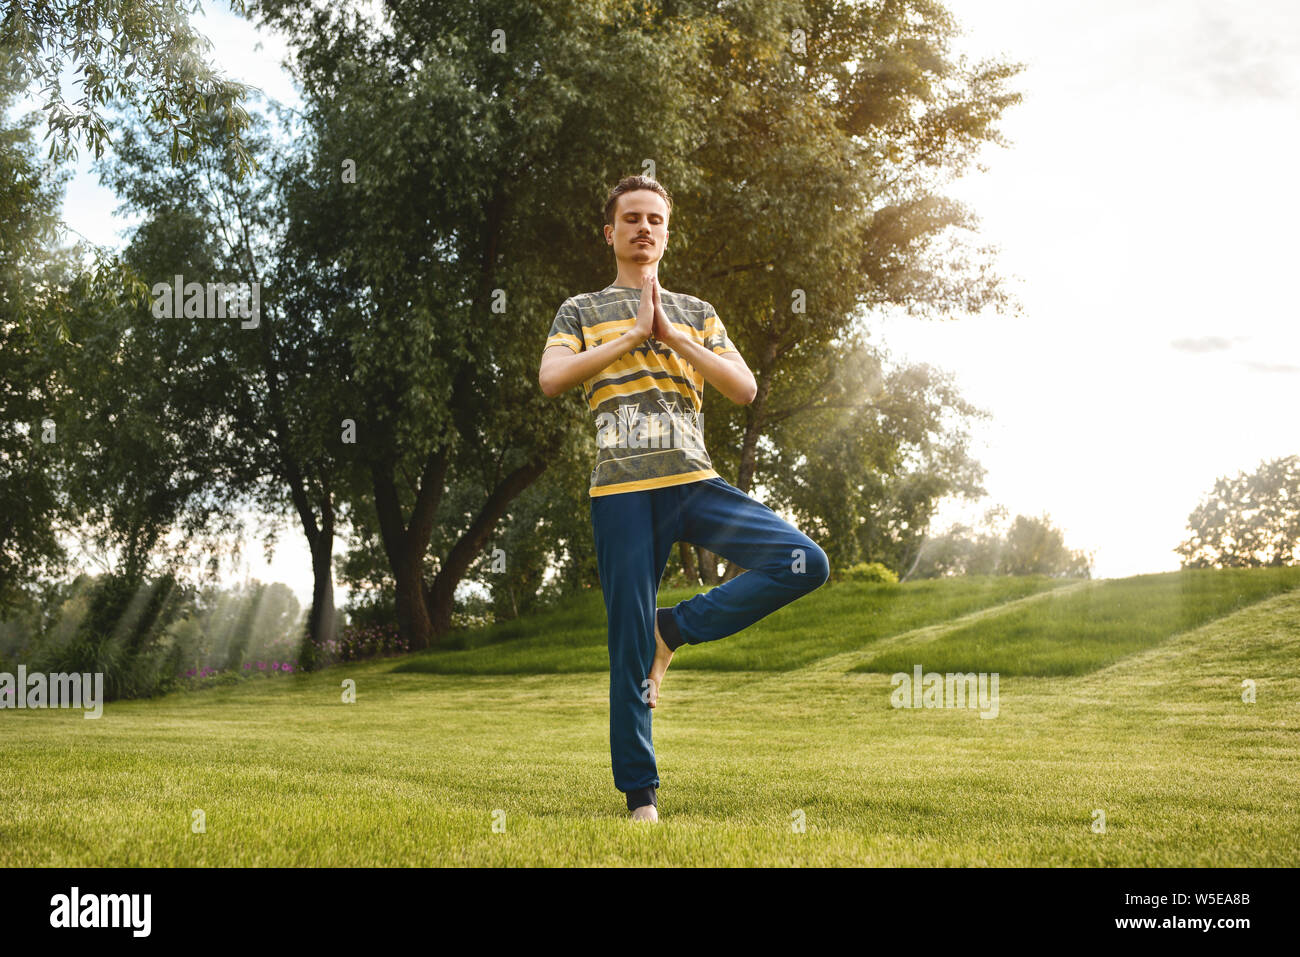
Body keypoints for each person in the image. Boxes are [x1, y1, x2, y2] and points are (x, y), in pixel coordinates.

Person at [538, 174, 830, 823]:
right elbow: (552, 377)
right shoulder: (580, 311)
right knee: (625, 641)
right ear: (610, 231)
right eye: (632, 218)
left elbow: (745, 388)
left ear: (666, 233)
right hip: (619, 490)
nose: (645, 228)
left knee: (805, 560)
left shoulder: (697, 313)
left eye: (656, 220)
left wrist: (670, 334)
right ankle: (640, 795)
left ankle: (675, 627)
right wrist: (629, 336)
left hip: (692, 481)